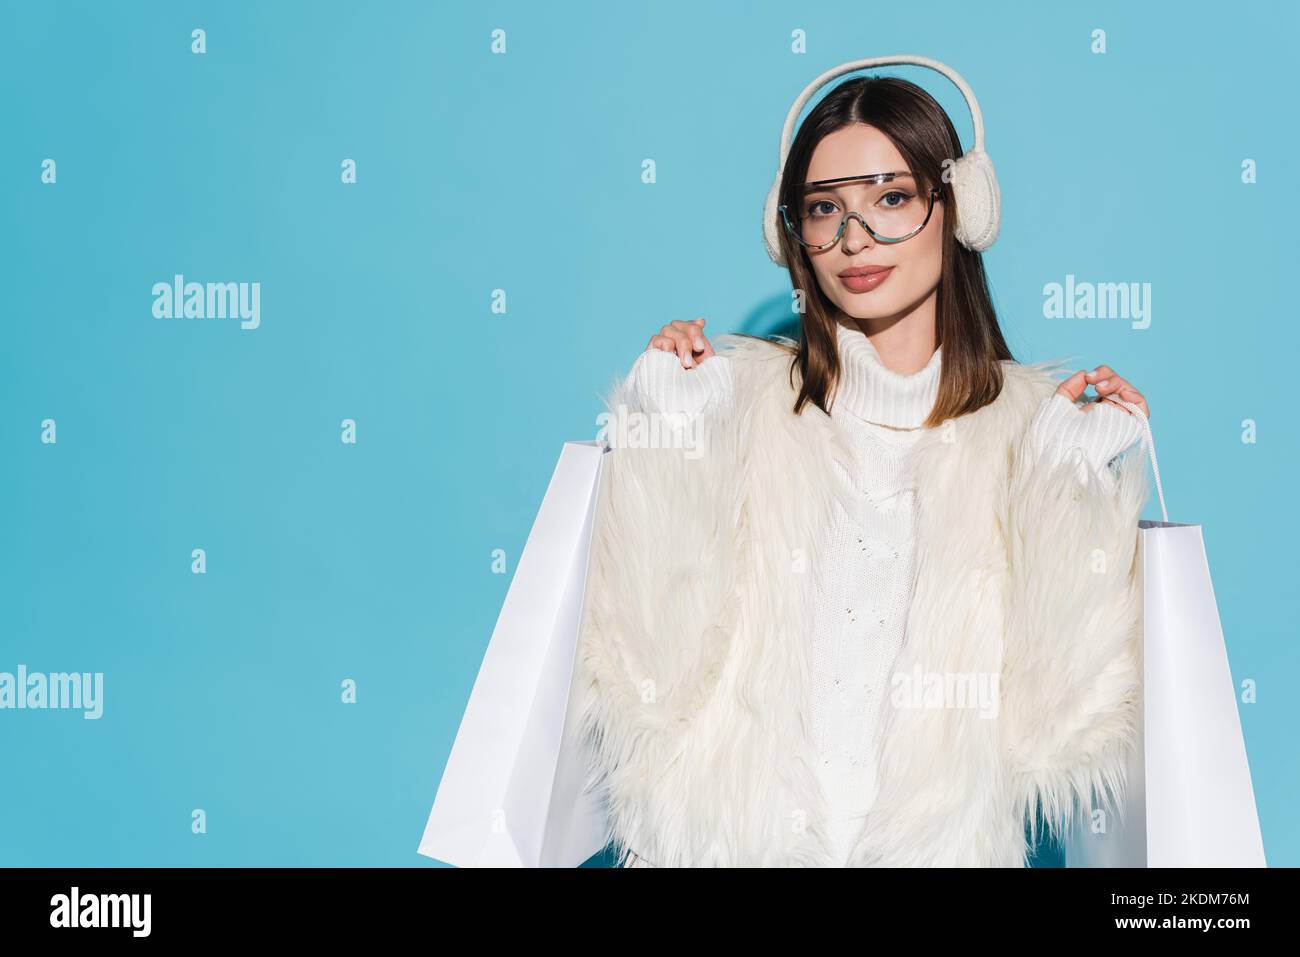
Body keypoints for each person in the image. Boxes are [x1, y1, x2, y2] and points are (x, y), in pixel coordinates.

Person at [575, 61, 1152, 867]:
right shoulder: (733, 405)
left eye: (891, 198)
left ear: (962, 207)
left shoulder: (1031, 437)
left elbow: (1053, 737)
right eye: (823, 208)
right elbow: (648, 680)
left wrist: (1071, 490)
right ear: (790, 233)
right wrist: (671, 444)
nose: (854, 239)